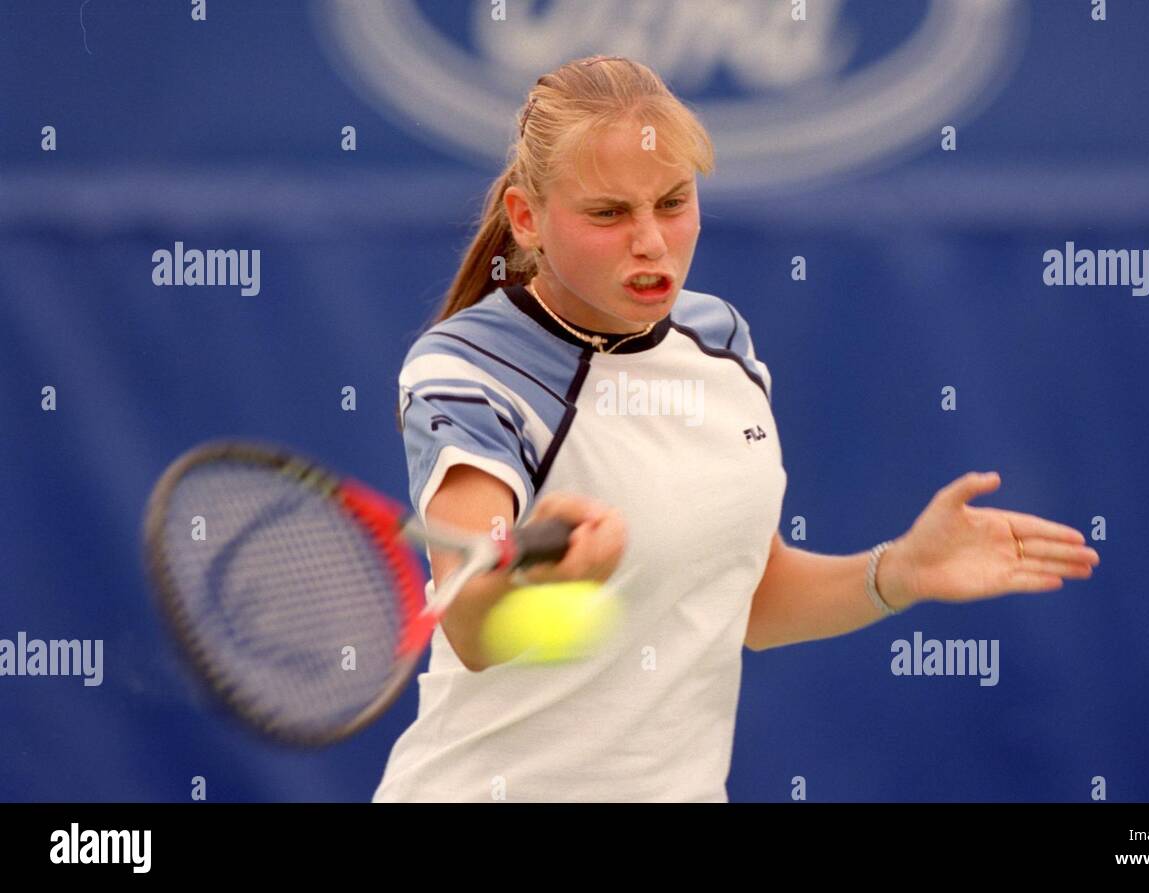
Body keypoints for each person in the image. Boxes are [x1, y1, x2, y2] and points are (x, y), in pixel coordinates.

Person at [372, 55, 1100, 803]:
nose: (652, 241)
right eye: (609, 213)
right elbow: (470, 622)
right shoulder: (467, 368)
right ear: (528, 217)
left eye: (673, 201)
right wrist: (538, 574)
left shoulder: (721, 340)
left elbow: (745, 596)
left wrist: (897, 571)